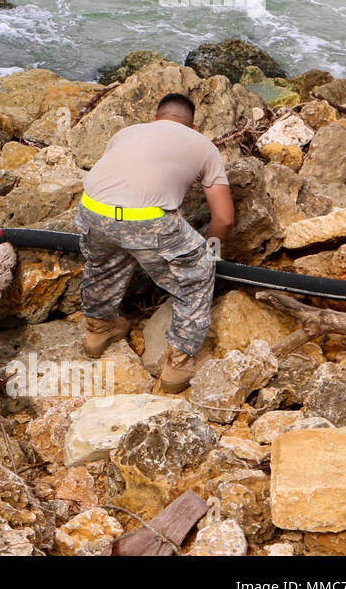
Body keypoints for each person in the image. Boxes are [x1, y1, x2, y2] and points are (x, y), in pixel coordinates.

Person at [76, 92, 235, 393]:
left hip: (91, 210)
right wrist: (211, 254)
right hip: (147, 221)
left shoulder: (127, 133)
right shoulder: (204, 146)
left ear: (155, 118)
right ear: (193, 126)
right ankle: (178, 365)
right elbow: (224, 218)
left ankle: (98, 331)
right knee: (196, 277)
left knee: (105, 262)